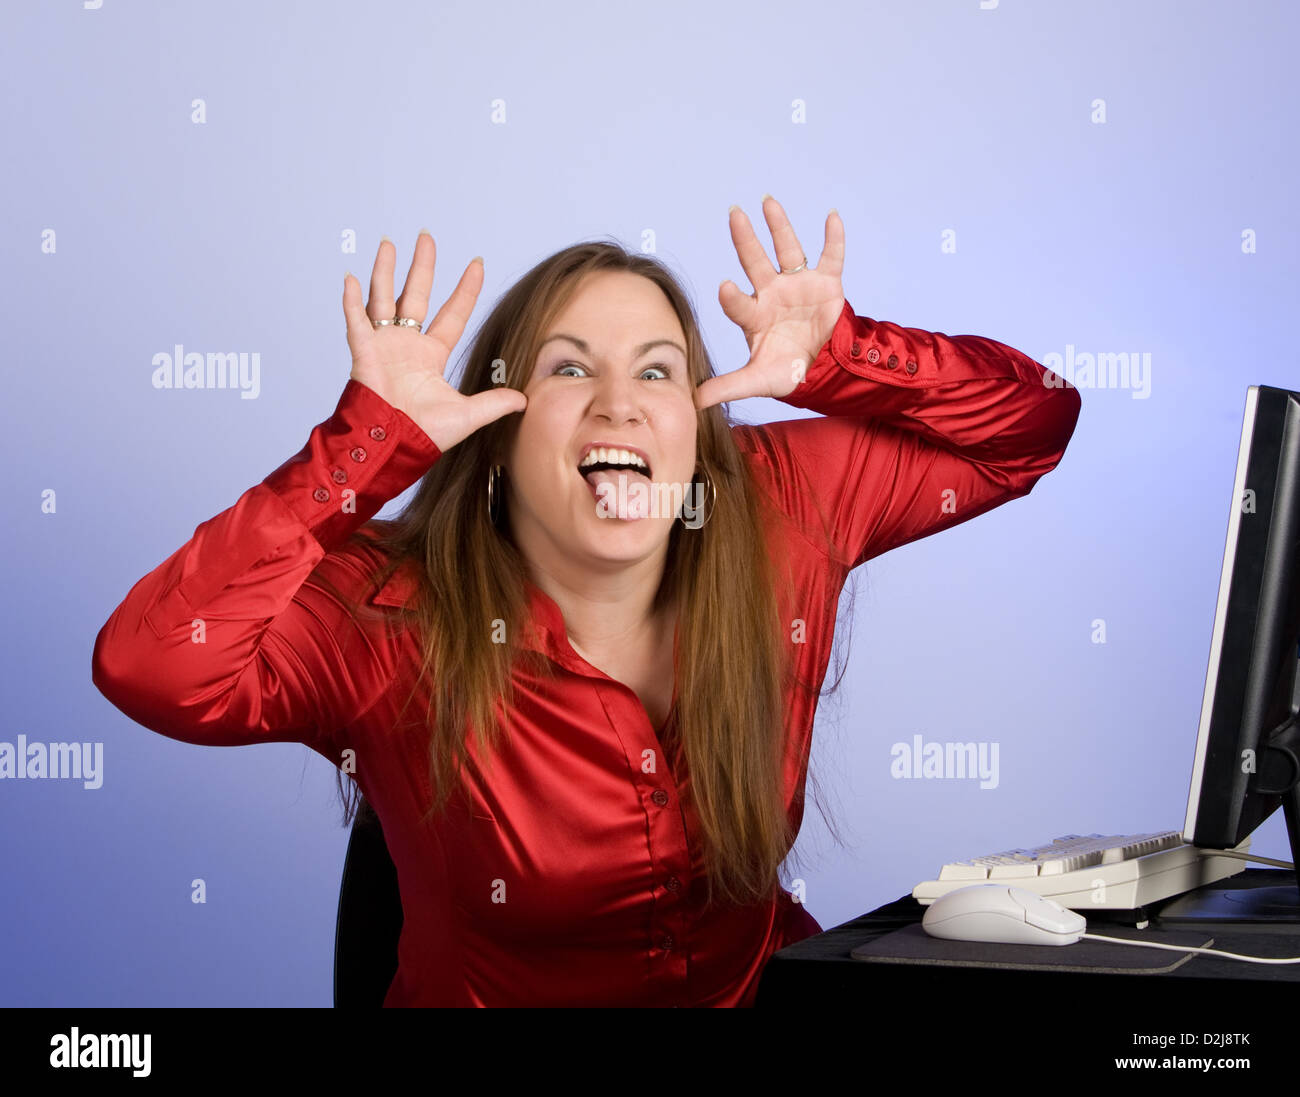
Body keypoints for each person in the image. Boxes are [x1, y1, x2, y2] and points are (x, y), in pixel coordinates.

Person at [91, 196, 1082, 1006]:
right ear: (496, 431)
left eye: (657, 369)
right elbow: (149, 661)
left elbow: (1031, 423)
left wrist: (844, 357)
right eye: (570, 368)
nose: (620, 402)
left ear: (698, 423)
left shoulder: (780, 504)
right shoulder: (391, 609)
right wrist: (365, 444)